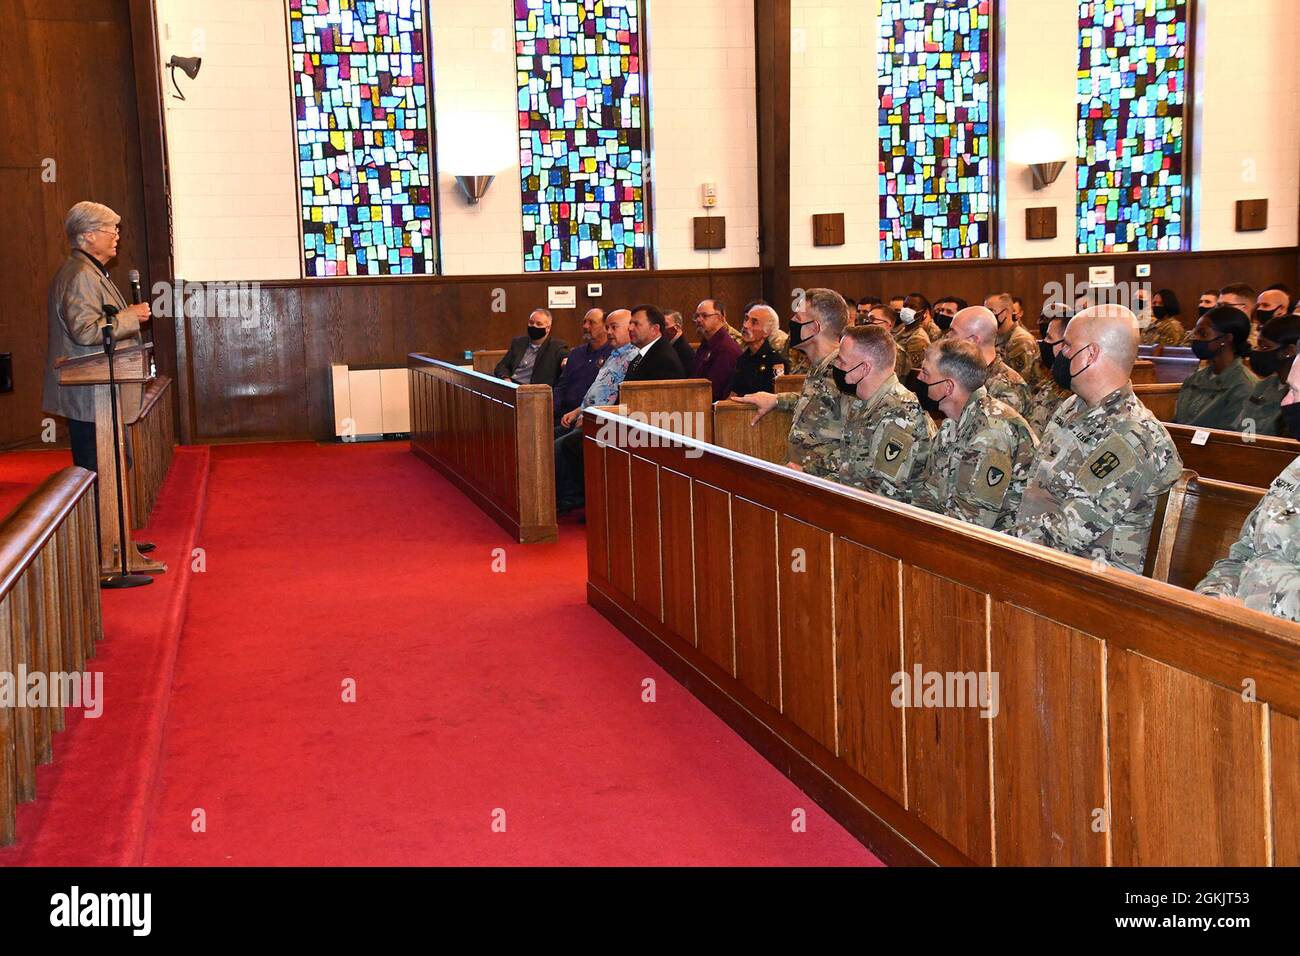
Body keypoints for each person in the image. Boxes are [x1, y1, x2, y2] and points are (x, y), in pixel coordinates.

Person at [1007, 304, 1183, 574]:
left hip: (1092, 582)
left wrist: (996, 545)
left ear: (1090, 354)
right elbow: (1035, 487)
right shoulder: (1073, 407)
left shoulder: (1132, 436)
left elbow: (1068, 532)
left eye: (1067, 345)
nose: (1060, 354)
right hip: (1044, 562)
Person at [43, 201, 151, 474]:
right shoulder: (80, 275)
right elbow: (85, 331)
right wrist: (129, 317)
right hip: (92, 396)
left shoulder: (91, 272)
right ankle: (106, 519)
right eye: (111, 230)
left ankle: (113, 518)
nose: (117, 236)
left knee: (113, 467)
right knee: (100, 471)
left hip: (100, 396)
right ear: (89, 234)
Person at [1195, 358, 1300, 620]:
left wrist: (1249, 610)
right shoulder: (1295, 468)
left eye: (1297, 392)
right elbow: (1243, 551)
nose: (1286, 402)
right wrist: (1211, 597)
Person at [911, 337, 1037, 530]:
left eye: (926, 373)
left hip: (998, 546)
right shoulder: (952, 424)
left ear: (948, 387)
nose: (919, 378)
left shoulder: (991, 433)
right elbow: (929, 493)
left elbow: (973, 523)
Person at [734, 288, 849, 475]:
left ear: (815, 328)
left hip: (825, 484)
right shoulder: (819, 366)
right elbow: (819, 402)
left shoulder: (844, 372)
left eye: (798, 318)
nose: (791, 323)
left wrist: (809, 471)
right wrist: (777, 400)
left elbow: (858, 445)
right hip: (806, 478)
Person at [828, 325, 934, 501]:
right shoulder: (862, 402)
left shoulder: (900, 414)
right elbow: (849, 469)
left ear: (864, 369)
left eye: (841, 361)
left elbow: (884, 495)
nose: (835, 366)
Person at [554, 310, 636, 513]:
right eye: (607, 327)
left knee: (558, 447)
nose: (609, 332)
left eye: (613, 327)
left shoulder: (633, 357)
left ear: (629, 328)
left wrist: (590, 417)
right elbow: (596, 390)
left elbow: (621, 398)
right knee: (543, 439)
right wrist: (578, 410)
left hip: (604, 421)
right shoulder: (614, 354)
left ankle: (570, 498)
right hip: (586, 414)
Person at [1175, 305, 1258, 430]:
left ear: (1226, 339)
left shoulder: (1244, 386)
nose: (1196, 339)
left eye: (1203, 334)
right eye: (1195, 333)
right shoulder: (1193, 379)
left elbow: (1234, 437)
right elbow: (1178, 422)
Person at [948, 306, 1031, 416]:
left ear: (972, 341)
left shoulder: (1007, 388)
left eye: (953, 332)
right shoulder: (969, 375)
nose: (948, 336)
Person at [1235, 315, 1300, 436]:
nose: (1256, 351)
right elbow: (1245, 431)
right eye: (1257, 346)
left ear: (1288, 351)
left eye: (1264, 347)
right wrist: (1247, 447)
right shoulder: (1264, 386)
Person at [551, 308, 609, 424]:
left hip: (589, 417)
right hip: (563, 415)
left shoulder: (612, 355)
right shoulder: (576, 353)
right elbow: (561, 386)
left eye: (591, 322)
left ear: (605, 326)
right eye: (584, 322)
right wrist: (550, 411)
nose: (586, 326)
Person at [1026, 305, 1073, 436]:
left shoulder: (1073, 392)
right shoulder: (1052, 381)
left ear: (1067, 345)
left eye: (1049, 338)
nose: (1044, 342)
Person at [494, 309, 569, 385]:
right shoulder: (519, 343)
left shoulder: (556, 347)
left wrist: (566, 362)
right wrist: (505, 378)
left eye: (539, 324)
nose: (534, 326)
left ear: (548, 328)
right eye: (531, 323)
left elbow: (566, 359)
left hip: (532, 391)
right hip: (511, 385)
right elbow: (502, 366)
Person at [690, 298, 743, 400]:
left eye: (704, 316)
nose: (698, 320)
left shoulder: (726, 348)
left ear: (719, 318)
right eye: (697, 316)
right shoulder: (706, 343)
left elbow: (714, 391)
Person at [729, 303, 786, 397]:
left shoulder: (775, 362)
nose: (745, 325)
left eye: (754, 322)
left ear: (766, 332)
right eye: (746, 319)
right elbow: (734, 392)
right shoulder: (742, 358)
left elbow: (775, 398)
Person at [623, 304, 686, 382]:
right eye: (630, 323)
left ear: (654, 329)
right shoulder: (647, 353)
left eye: (636, 324)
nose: (630, 328)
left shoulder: (664, 361)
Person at [986, 291, 1039, 382]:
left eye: (991, 311)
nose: (987, 316)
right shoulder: (994, 335)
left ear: (1005, 312)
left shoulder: (1021, 341)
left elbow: (1018, 382)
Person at [863, 305, 912, 379]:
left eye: (872, 319)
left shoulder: (896, 352)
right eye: (867, 319)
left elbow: (885, 381)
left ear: (889, 325)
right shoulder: (864, 346)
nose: (868, 323)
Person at [894, 294, 932, 374]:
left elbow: (913, 373)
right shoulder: (901, 330)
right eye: (905, 306)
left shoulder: (918, 339)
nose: (906, 309)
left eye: (912, 307)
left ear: (923, 313)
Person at [1218, 282, 1258, 346]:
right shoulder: (1216, 336)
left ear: (1246, 308)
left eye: (1226, 306)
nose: (1219, 311)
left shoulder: (1260, 341)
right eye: (1218, 306)